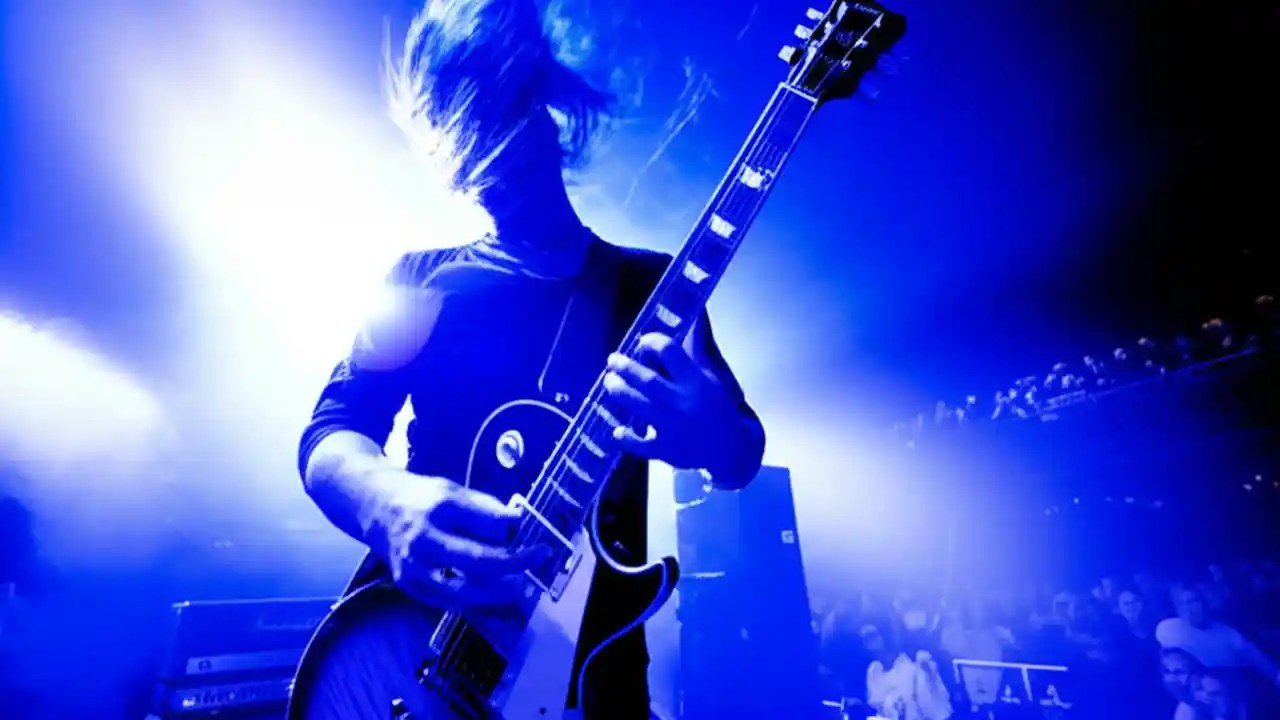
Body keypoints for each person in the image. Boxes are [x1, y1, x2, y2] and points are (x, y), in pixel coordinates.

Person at [296, 1, 766, 717]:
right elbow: (331, 434)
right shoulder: (417, 279)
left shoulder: (652, 288)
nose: (488, 162)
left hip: (595, 674)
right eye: (466, 136)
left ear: (546, 112)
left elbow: (741, 454)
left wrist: (712, 432)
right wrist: (383, 503)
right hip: (414, 659)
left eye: (500, 120)